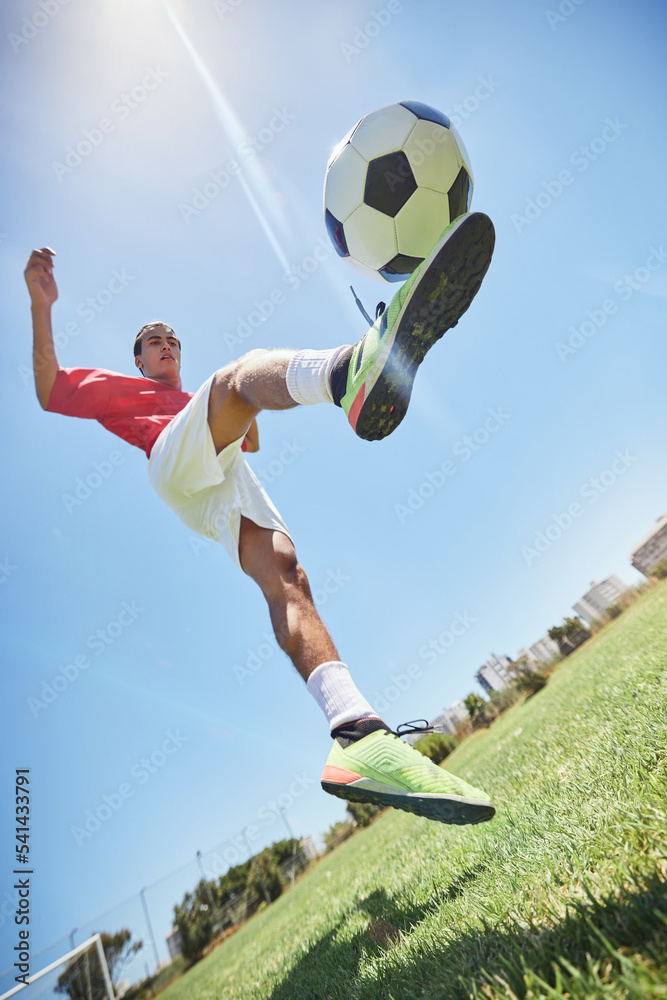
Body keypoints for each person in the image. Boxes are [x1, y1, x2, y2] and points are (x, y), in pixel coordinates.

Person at [25, 211, 496, 825]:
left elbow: (246, 443)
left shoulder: (206, 410)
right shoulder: (125, 391)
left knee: (287, 576)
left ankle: (357, 735)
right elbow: (51, 390)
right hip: (172, 457)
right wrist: (42, 305)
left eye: (171, 337)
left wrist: (245, 412)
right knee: (240, 374)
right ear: (139, 360)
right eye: (152, 340)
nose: (165, 343)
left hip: (220, 479)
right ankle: (349, 370)